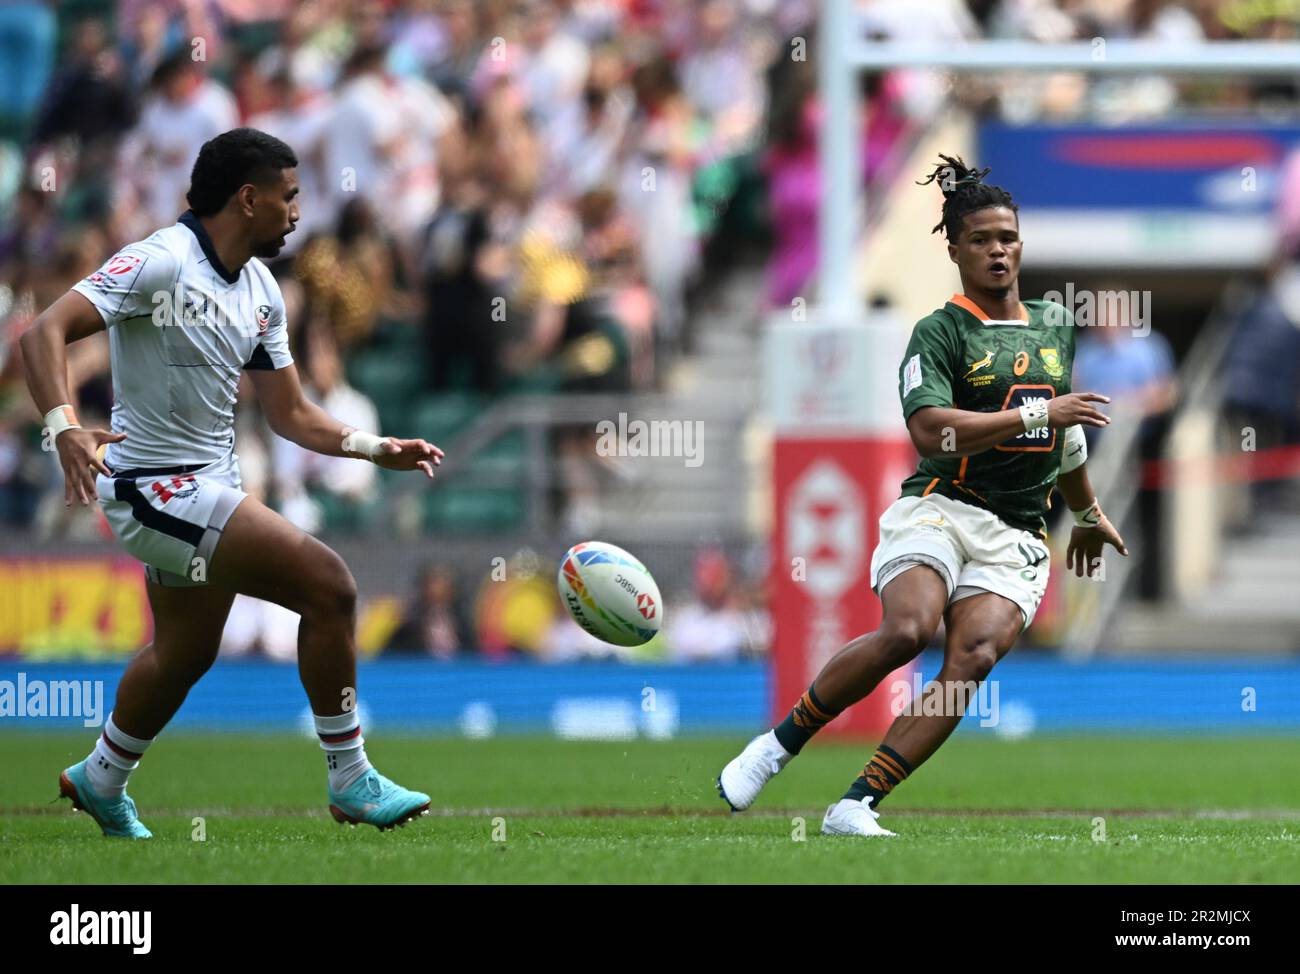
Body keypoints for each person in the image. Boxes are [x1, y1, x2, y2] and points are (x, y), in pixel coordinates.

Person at [19, 128, 444, 838]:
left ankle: (100, 777)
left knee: (186, 651)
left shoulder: (261, 289)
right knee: (330, 586)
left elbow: (292, 414)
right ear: (248, 199)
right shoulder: (158, 262)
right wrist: (63, 425)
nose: (297, 212)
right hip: (154, 489)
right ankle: (350, 778)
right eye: (289, 196)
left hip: (205, 488)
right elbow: (42, 333)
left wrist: (376, 448)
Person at [717, 154, 1128, 837]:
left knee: (974, 656)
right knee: (909, 629)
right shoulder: (939, 333)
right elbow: (933, 433)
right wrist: (1036, 416)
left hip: (1019, 531)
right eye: (982, 240)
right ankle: (775, 747)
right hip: (942, 507)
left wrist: (1086, 513)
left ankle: (856, 804)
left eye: (1008, 238)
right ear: (955, 247)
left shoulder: (1056, 323)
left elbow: (1068, 433)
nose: (998, 251)